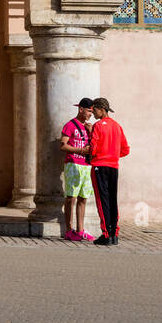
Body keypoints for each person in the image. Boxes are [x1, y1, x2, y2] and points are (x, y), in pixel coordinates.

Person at [89, 96, 130, 245]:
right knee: (112, 199)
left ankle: (106, 234)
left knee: (102, 200)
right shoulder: (117, 126)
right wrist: (112, 154)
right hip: (113, 166)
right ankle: (114, 234)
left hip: (99, 166)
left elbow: (93, 148)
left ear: (101, 110)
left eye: (94, 110)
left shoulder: (98, 126)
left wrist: (96, 155)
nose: (93, 114)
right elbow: (125, 150)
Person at [59, 98, 95, 241]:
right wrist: (80, 150)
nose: (91, 114)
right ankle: (69, 231)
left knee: (83, 198)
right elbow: (63, 146)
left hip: (86, 166)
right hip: (73, 164)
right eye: (89, 111)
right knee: (71, 198)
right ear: (81, 109)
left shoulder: (89, 127)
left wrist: (91, 132)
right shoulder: (70, 125)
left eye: (92, 112)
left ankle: (80, 231)